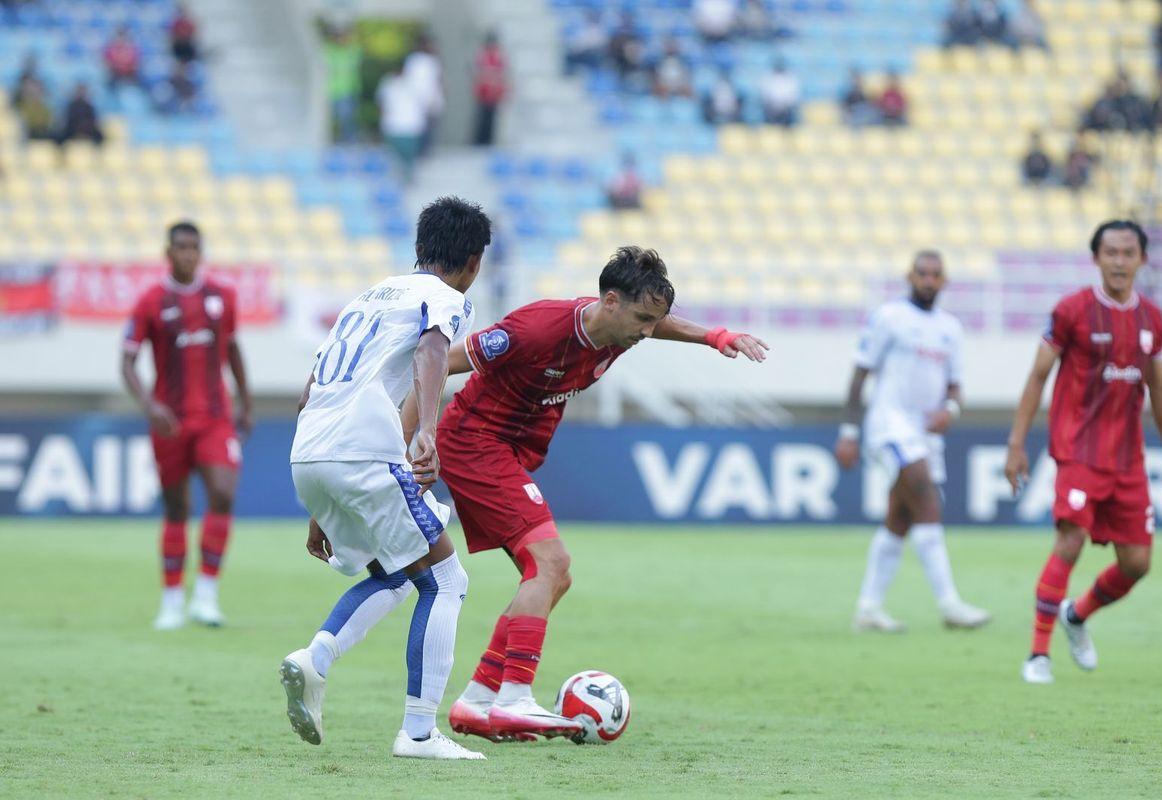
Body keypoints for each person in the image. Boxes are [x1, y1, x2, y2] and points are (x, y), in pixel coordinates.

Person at [424, 247, 768, 741]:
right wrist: (412, 434)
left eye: (655, 320)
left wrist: (714, 336)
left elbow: (662, 323)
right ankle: (514, 697)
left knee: (549, 579)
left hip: (509, 450)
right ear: (610, 301)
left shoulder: (623, 326)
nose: (648, 331)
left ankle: (479, 700)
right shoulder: (538, 328)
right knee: (551, 564)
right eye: (643, 319)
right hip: (473, 442)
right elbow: (441, 363)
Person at [281, 197, 491, 760]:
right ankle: (419, 733)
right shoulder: (446, 299)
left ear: (419, 248)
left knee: (400, 574)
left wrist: (318, 506)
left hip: (311, 453)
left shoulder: (368, 298)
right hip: (364, 454)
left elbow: (311, 388)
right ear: (473, 263)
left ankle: (315, 659)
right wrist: (427, 428)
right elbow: (431, 353)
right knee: (445, 580)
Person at [1006, 220, 1162, 685]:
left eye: (1128, 253)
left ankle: (1077, 616)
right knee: (1070, 541)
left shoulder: (1152, 319)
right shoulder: (1072, 311)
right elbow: (1037, 376)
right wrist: (1016, 443)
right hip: (1078, 452)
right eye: (1111, 252)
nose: (1119, 261)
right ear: (1096, 258)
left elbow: (1159, 386)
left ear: (1142, 259)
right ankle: (1037, 656)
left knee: (1137, 564)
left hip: (1127, 461)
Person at [835, 251, 991, 633]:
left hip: (926, 434)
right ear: (910, 276)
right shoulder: (889, 317)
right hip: (889, 426)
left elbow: (956, 386)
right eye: (922, 273)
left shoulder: (950, 329)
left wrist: (950, 411)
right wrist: (849, 433)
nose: (928, 280)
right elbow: (859, 376)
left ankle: (868, 609)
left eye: (935, 274)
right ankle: (949, 603)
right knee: (924, 495)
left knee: (899, 518)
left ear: (944, 281)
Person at [121, 222, 251, 630]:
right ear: (168, 252)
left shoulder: (222, 297)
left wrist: (245, 402)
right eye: (181, 247)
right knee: (176, 508)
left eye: (194, 247)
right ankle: (172, 600)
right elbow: (126, 361)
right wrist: (150, 405)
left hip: (215, 419)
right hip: (171, 424)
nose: (188, 254)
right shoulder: (150, 302)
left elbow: (232, 349)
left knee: (223, 493)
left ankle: (206, 597)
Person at [377, 62, 425, 183]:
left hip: (409, 127)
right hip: (393, 127)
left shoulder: (414, 83)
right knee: (395, 158)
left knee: (409, 158)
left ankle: (408, 178)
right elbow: (382, 104)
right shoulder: (388, 83)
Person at [405, 34, 444, 156]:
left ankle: (426, 152)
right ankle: (419, 153)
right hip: (420, 101)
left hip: (431, 101)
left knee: (430, 129)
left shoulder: (433, 60)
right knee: (420, 129)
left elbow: (437, 81)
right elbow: (414, 83)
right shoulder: (415, 61)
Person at [324, 24, 362, 144]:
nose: (341, 38)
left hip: (348, 91)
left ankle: (349, 143)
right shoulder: (328, 50)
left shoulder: (353, 50)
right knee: (328, 121)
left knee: (347, 120)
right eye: (338, 36)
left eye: (343, 35)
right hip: (330, 91)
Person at [472, 32, 507, 147]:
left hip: (494, 93)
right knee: (482, 118)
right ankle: (479, 141)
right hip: (483, 92)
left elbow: (500, 74)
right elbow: (479, 74)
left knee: (491, 119)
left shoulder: (498, 56)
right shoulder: (483, 55)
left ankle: (488, 142)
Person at [760, 58, 800, 126]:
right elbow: (765, 96)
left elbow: (793, 97)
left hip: (786, 109)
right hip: (771, 108)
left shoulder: (791, 78)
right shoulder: (767, 77)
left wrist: (784, 105)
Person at [103, 24, 142, 94]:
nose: (121, 39)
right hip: (115, 74)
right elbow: (107, 62)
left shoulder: (132, 48)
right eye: (119, 36)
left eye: (123, 36)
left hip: (130, 75)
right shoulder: (111, 48)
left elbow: (135, 62)